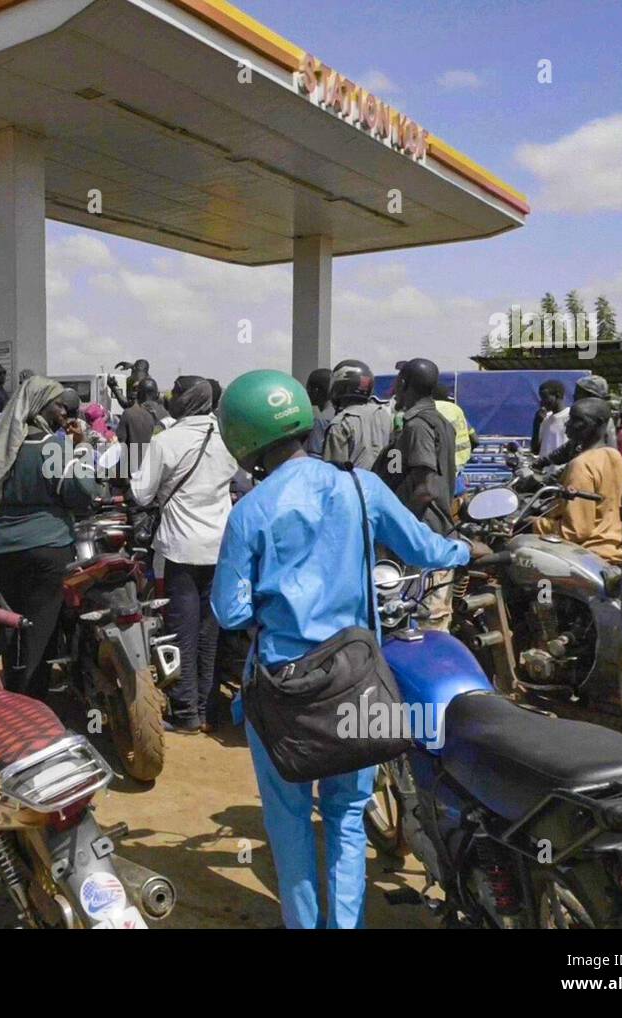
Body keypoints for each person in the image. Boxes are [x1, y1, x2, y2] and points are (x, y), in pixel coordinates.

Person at [210, 369, 482, 929]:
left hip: (284, 691)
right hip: (358, 680)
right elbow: (424, 547)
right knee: (348, 818)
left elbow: (230, 612)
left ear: (242, 439)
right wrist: (466, 552)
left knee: (288, 828)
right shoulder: (361, 486)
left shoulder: (249, 513)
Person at [0, 375, 101, 698]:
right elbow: (83, 492)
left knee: (12, 629)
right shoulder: (54, 447)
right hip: (49, 549)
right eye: (58, 405)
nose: (63, 412)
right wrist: (83, 448)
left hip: (1, 550)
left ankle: (15, 696)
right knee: (39, 634)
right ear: (39, 406)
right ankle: (33, 708)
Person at [130, 377, 237, 733]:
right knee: (211, 631)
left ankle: (185, 711)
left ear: (185, 399)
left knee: (181, 632)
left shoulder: (167, 440)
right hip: (221, 546)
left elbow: (142, 494)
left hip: (182, 547)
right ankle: (208, 710)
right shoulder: (228, 438)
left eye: (175, 393)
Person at [376, 359, 458, 630]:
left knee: (424, 624)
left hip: (423, 538)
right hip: (437, 534)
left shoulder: (418, 426)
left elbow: (425, 489)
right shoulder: (443, 423)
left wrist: (397, 524)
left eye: (398, 382)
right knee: (432, 621)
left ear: (404, 384)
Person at [531, 399, 622, 563]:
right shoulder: (614, 456)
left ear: (597, 424)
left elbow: (576, 530)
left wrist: (535, 524)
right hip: (616, 547)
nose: (569, 424)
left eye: (577, 420)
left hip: (590, 553)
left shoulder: (580, 465)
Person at [322, 359, 394, 469]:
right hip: (382, 485)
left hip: (354, 485)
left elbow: (333, 473)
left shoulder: (340, 424)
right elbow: (395, 463)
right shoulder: (383, 415)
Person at [115, 378, 169, 478]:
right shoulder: (168, 416)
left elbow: (119, 445)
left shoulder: (129, 414)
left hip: (134, 476)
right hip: (160, 476)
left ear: (138, 395)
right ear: (157, 395)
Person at [433, 383, 475, 488]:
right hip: (458, 469)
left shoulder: (430, 409)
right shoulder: (456, 410)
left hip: (439, 472)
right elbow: (475, 439)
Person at [533, 380, 570, 458]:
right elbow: (535, 450)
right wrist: (537, 423)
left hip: (563, 468)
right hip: (545, 468)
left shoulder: (571, 416)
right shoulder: (545, 418)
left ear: (558, 395)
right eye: (541, 398)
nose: (542, 402)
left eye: (545, 397)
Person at [303, 368, 333, 457]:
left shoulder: (319, 420)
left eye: (309, 389)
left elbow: (315, 454)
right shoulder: (338, 415)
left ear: (316, 391)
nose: (307, 393)